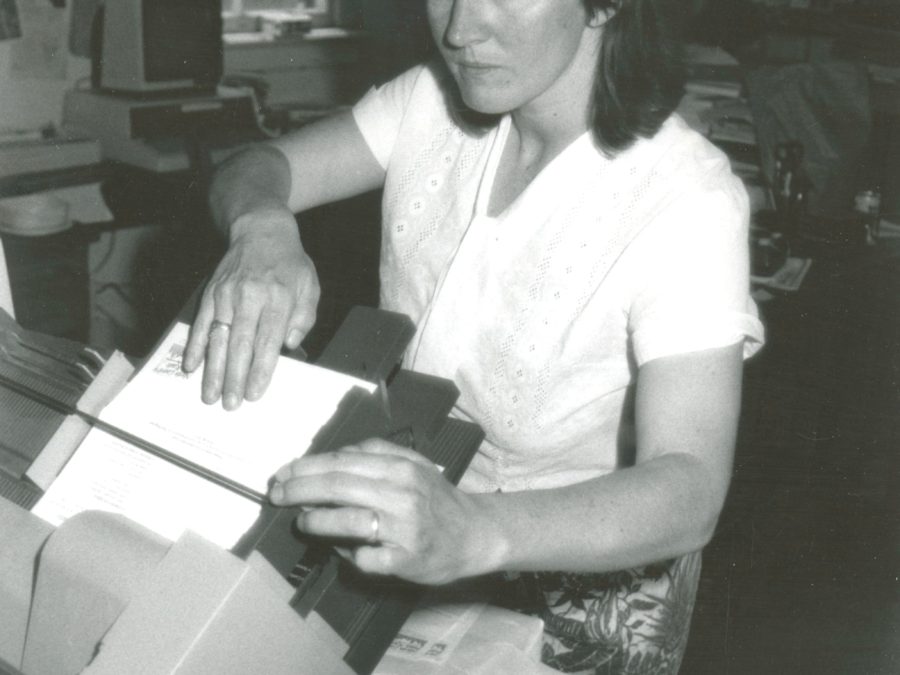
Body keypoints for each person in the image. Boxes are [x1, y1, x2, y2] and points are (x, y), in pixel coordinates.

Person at [182, 0, 764, 672]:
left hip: (580, 589)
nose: (459, 30)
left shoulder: (688, 200)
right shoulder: (430, 100)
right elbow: (256, 169)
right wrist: (262, 228)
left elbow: (690, 488)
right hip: (413, 531)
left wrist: (476, 529)